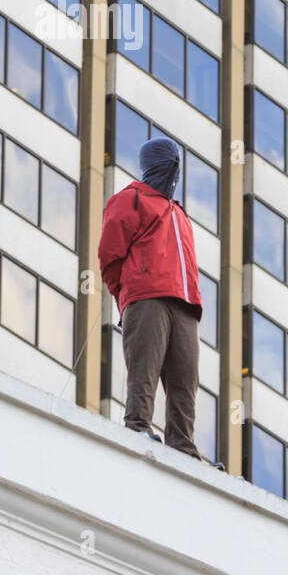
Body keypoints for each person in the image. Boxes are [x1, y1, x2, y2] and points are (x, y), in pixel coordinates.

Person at [98, 138, 204, 460]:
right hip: (147, 298)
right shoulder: (130, 199)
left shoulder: (181, 215)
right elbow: (108, 254)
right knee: (144, 369)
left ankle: (183, 446)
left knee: (186, 381)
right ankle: (138, 425)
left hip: (185, 304)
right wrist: (126, 294)